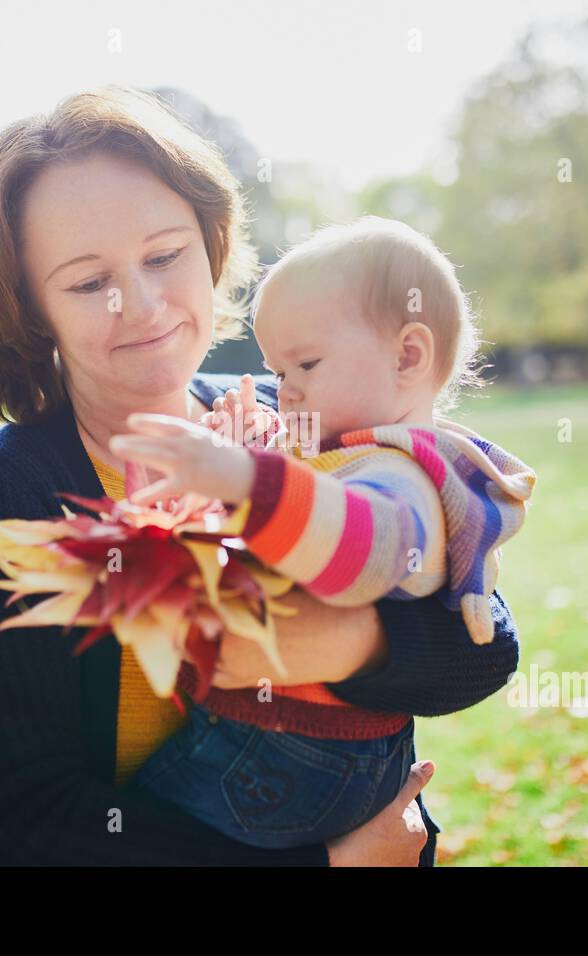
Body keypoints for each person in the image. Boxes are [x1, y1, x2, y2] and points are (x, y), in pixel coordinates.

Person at [0, 86, 520, 865]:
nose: (144, 303)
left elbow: (484, 639)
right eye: (89, 283)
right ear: (28, 308)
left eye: (164, 255)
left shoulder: (300, 415)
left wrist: (351, 644)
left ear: (211, 242)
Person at [112, 217, 536, 849]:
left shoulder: (405, 475)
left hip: (298, 745)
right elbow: (299, 495)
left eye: (305, 364)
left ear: (407, 356)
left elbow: (363, 552)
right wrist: (244, 455)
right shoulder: (347, 446)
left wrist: (244, 478)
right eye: (277, 373)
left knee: (136, 832)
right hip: (299, 741)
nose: (286, 393)